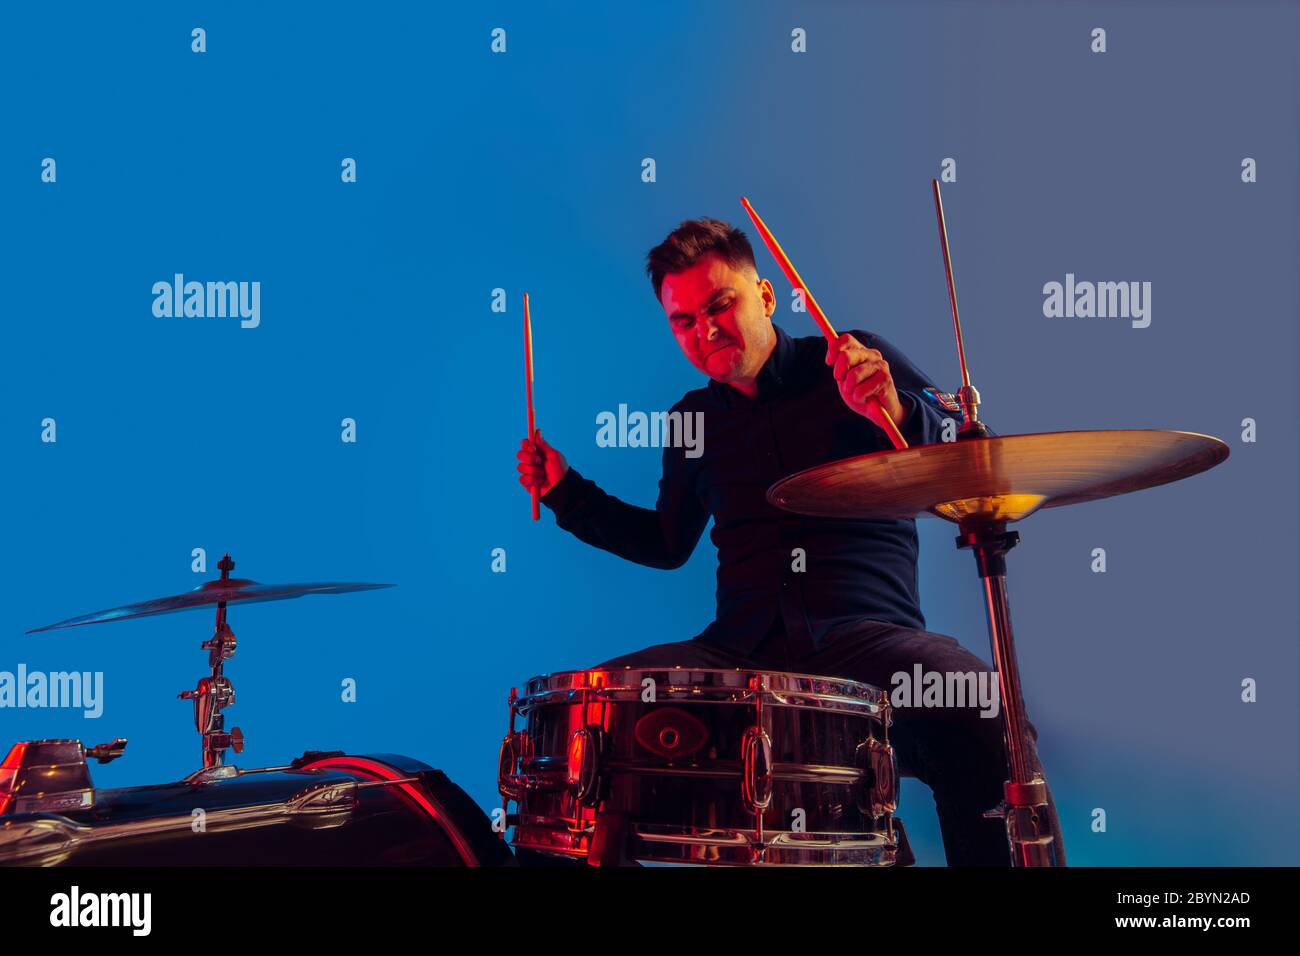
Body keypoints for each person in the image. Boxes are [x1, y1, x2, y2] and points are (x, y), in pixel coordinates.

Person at [515, 217, 1064, 866]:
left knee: (982, 711)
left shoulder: (850, 356)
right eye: (684, 320)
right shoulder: (692, 419)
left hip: (866, 636)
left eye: (721, 304)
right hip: (740, 647)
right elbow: (666, 543)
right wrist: (566, 492)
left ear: (766, 296)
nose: (707, 329)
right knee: (595, 717)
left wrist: (900, 405)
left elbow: (978, 457)